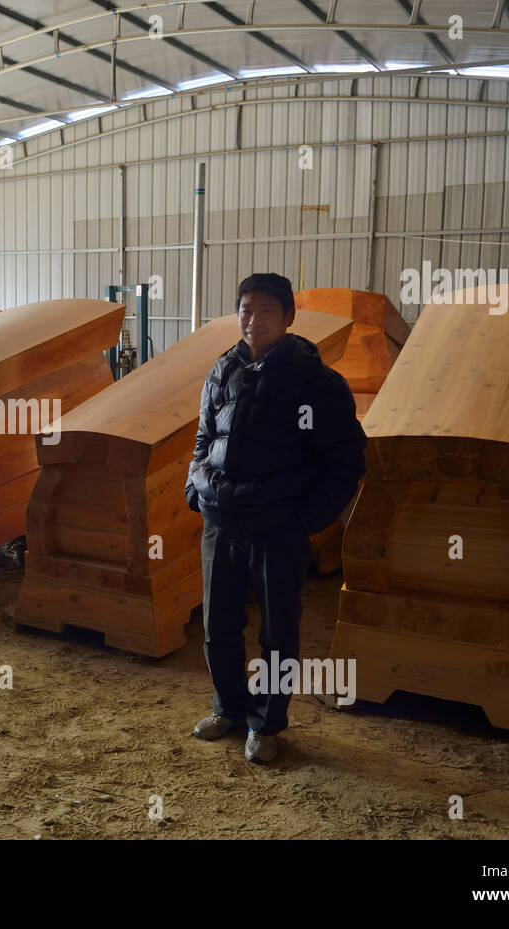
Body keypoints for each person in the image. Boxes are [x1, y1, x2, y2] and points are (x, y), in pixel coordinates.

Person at [184, 273, 366, 763]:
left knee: (277, 632)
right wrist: (194, 489)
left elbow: (347, 459)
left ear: (288, 318)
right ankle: (229, 708)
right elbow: (203, 438)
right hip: (220, 521)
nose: (253, 319)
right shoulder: (222, 371)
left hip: (277, 526)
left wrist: (304, 519)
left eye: (266, 310)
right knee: (218, 625)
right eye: (246, 309)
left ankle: (267, 723)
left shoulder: (316, 383)